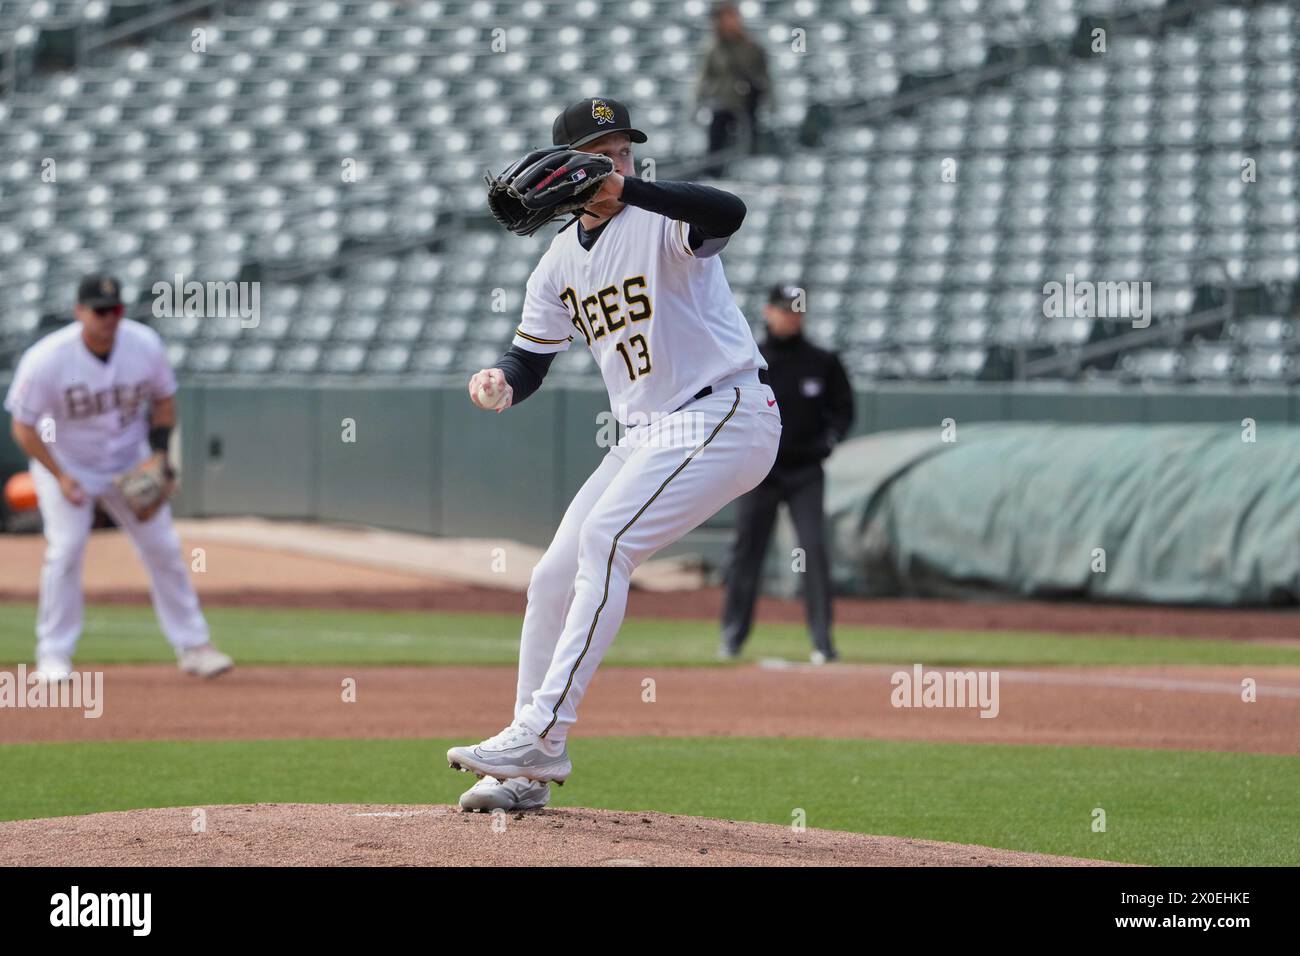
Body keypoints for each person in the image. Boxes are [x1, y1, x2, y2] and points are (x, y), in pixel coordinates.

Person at [448, 97, 781, 813]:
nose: (618, 161)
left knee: (608, 540)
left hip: (724, 409)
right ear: (566, 165)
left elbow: (728, 211)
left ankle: (543, 732)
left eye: (624, 150)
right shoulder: (558, 262)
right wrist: (502, 381)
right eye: (603, 151)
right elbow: (530, 357)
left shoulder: (659, 218)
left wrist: (627, 189)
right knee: (552, 577)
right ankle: (524, 775)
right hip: (648, 435)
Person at [4, 273, 232, 681]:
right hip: (67, 464)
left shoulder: (143, 344)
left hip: (129, 462)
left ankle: (194, 646)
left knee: (163, 547)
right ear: (79, 312)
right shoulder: (48, 358)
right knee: (67, 550)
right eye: (100, 310)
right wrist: (59, 476)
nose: (109, 318)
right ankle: (53, 654)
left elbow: (164, 401)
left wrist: (160, 457)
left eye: (116, 310)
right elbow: (23, 426)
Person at [719, 283, 854, 664]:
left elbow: (844, 410)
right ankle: (732, 637)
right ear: (768, 311)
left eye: (798, 310)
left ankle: (822, 642)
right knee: (747, 552)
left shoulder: (822, 362)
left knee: (813, 549)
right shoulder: (750, 359)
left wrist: (829, 440)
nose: (792, 316)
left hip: (805, 472)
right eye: (785, 309)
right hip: (759, 472)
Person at [696, 1, 773, 177]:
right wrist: (698, 101)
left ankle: (753, 173)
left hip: (746, 104)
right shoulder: (713, 48)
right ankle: (714, 175)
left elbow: (764, 76)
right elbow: (704, 77)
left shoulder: (752, 47)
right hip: (722, 102)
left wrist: (770, 101)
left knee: (750, 141)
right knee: (716, 141)